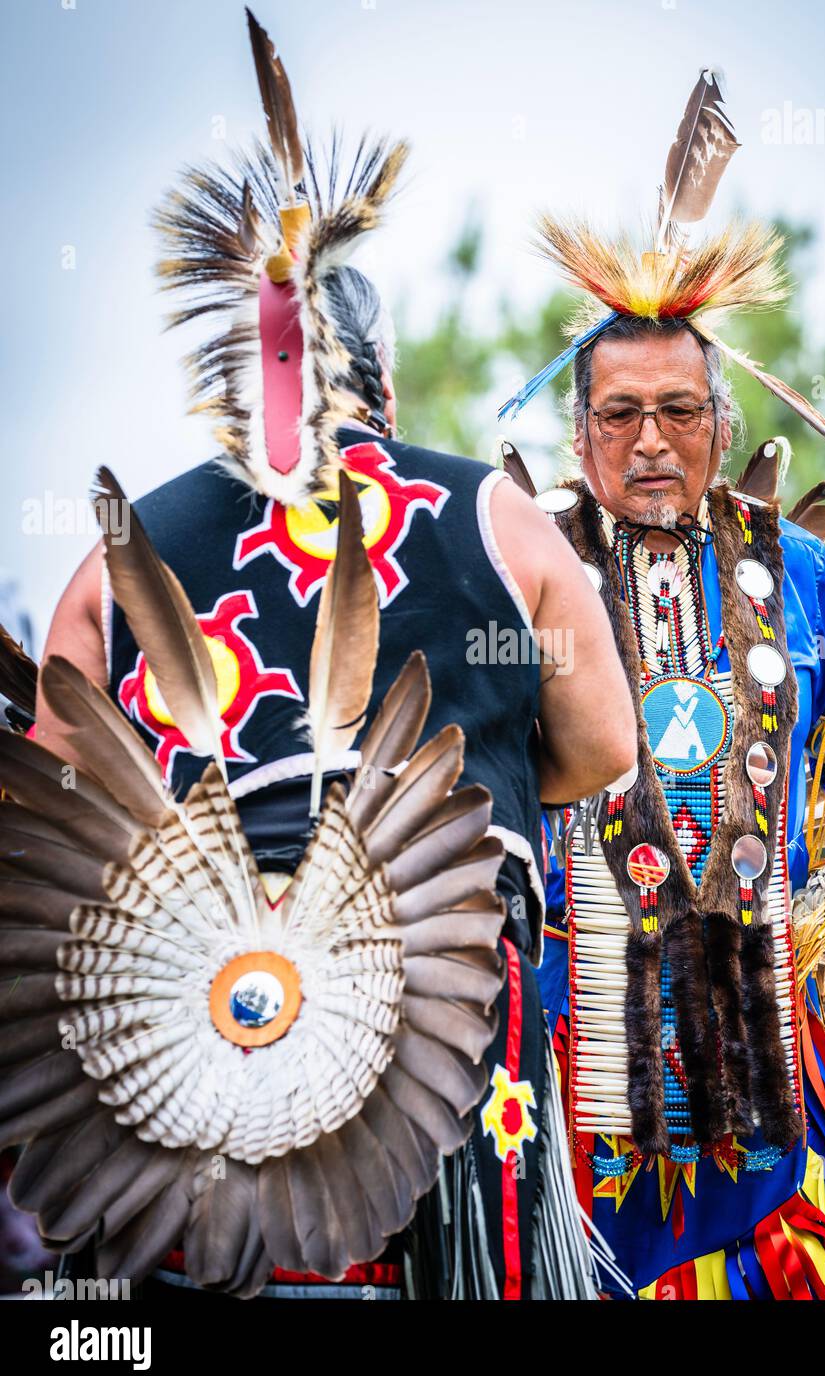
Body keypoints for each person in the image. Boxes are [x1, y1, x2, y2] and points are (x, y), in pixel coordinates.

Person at [6, 10, 635, 1302]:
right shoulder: (491, 518)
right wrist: (481, 785)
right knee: (472, 1259)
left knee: (153, 1281)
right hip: (441, 971)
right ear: (386, 380)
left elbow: (49, 787)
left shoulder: (123, 554)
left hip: (177, 999)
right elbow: (608, 744)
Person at [498, 69, 825, 1299]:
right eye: (619, 413)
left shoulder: (786, 567)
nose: (647, 441)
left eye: (676, 411)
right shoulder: (536, 560)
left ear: (720, 424)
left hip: (765, 1019)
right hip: (583, 1037)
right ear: (580, 434)